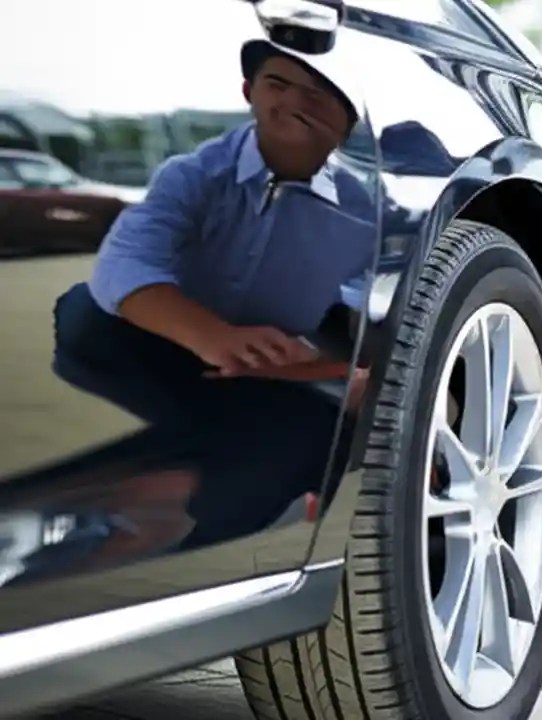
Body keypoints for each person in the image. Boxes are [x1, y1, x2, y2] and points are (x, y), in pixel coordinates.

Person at [50, 38, 377, 547]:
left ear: (351, 117)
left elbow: (368, 326)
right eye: (279, 83)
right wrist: (212, 335)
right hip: (166, 343)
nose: (296, 101)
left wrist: (329, 370)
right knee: (81, 312)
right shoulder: (194, 174)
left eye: (322, 91)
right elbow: (124, 262)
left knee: (318, 435)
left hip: (276, 373)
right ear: (248, 91)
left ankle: (194, 548)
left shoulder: (365, 217)